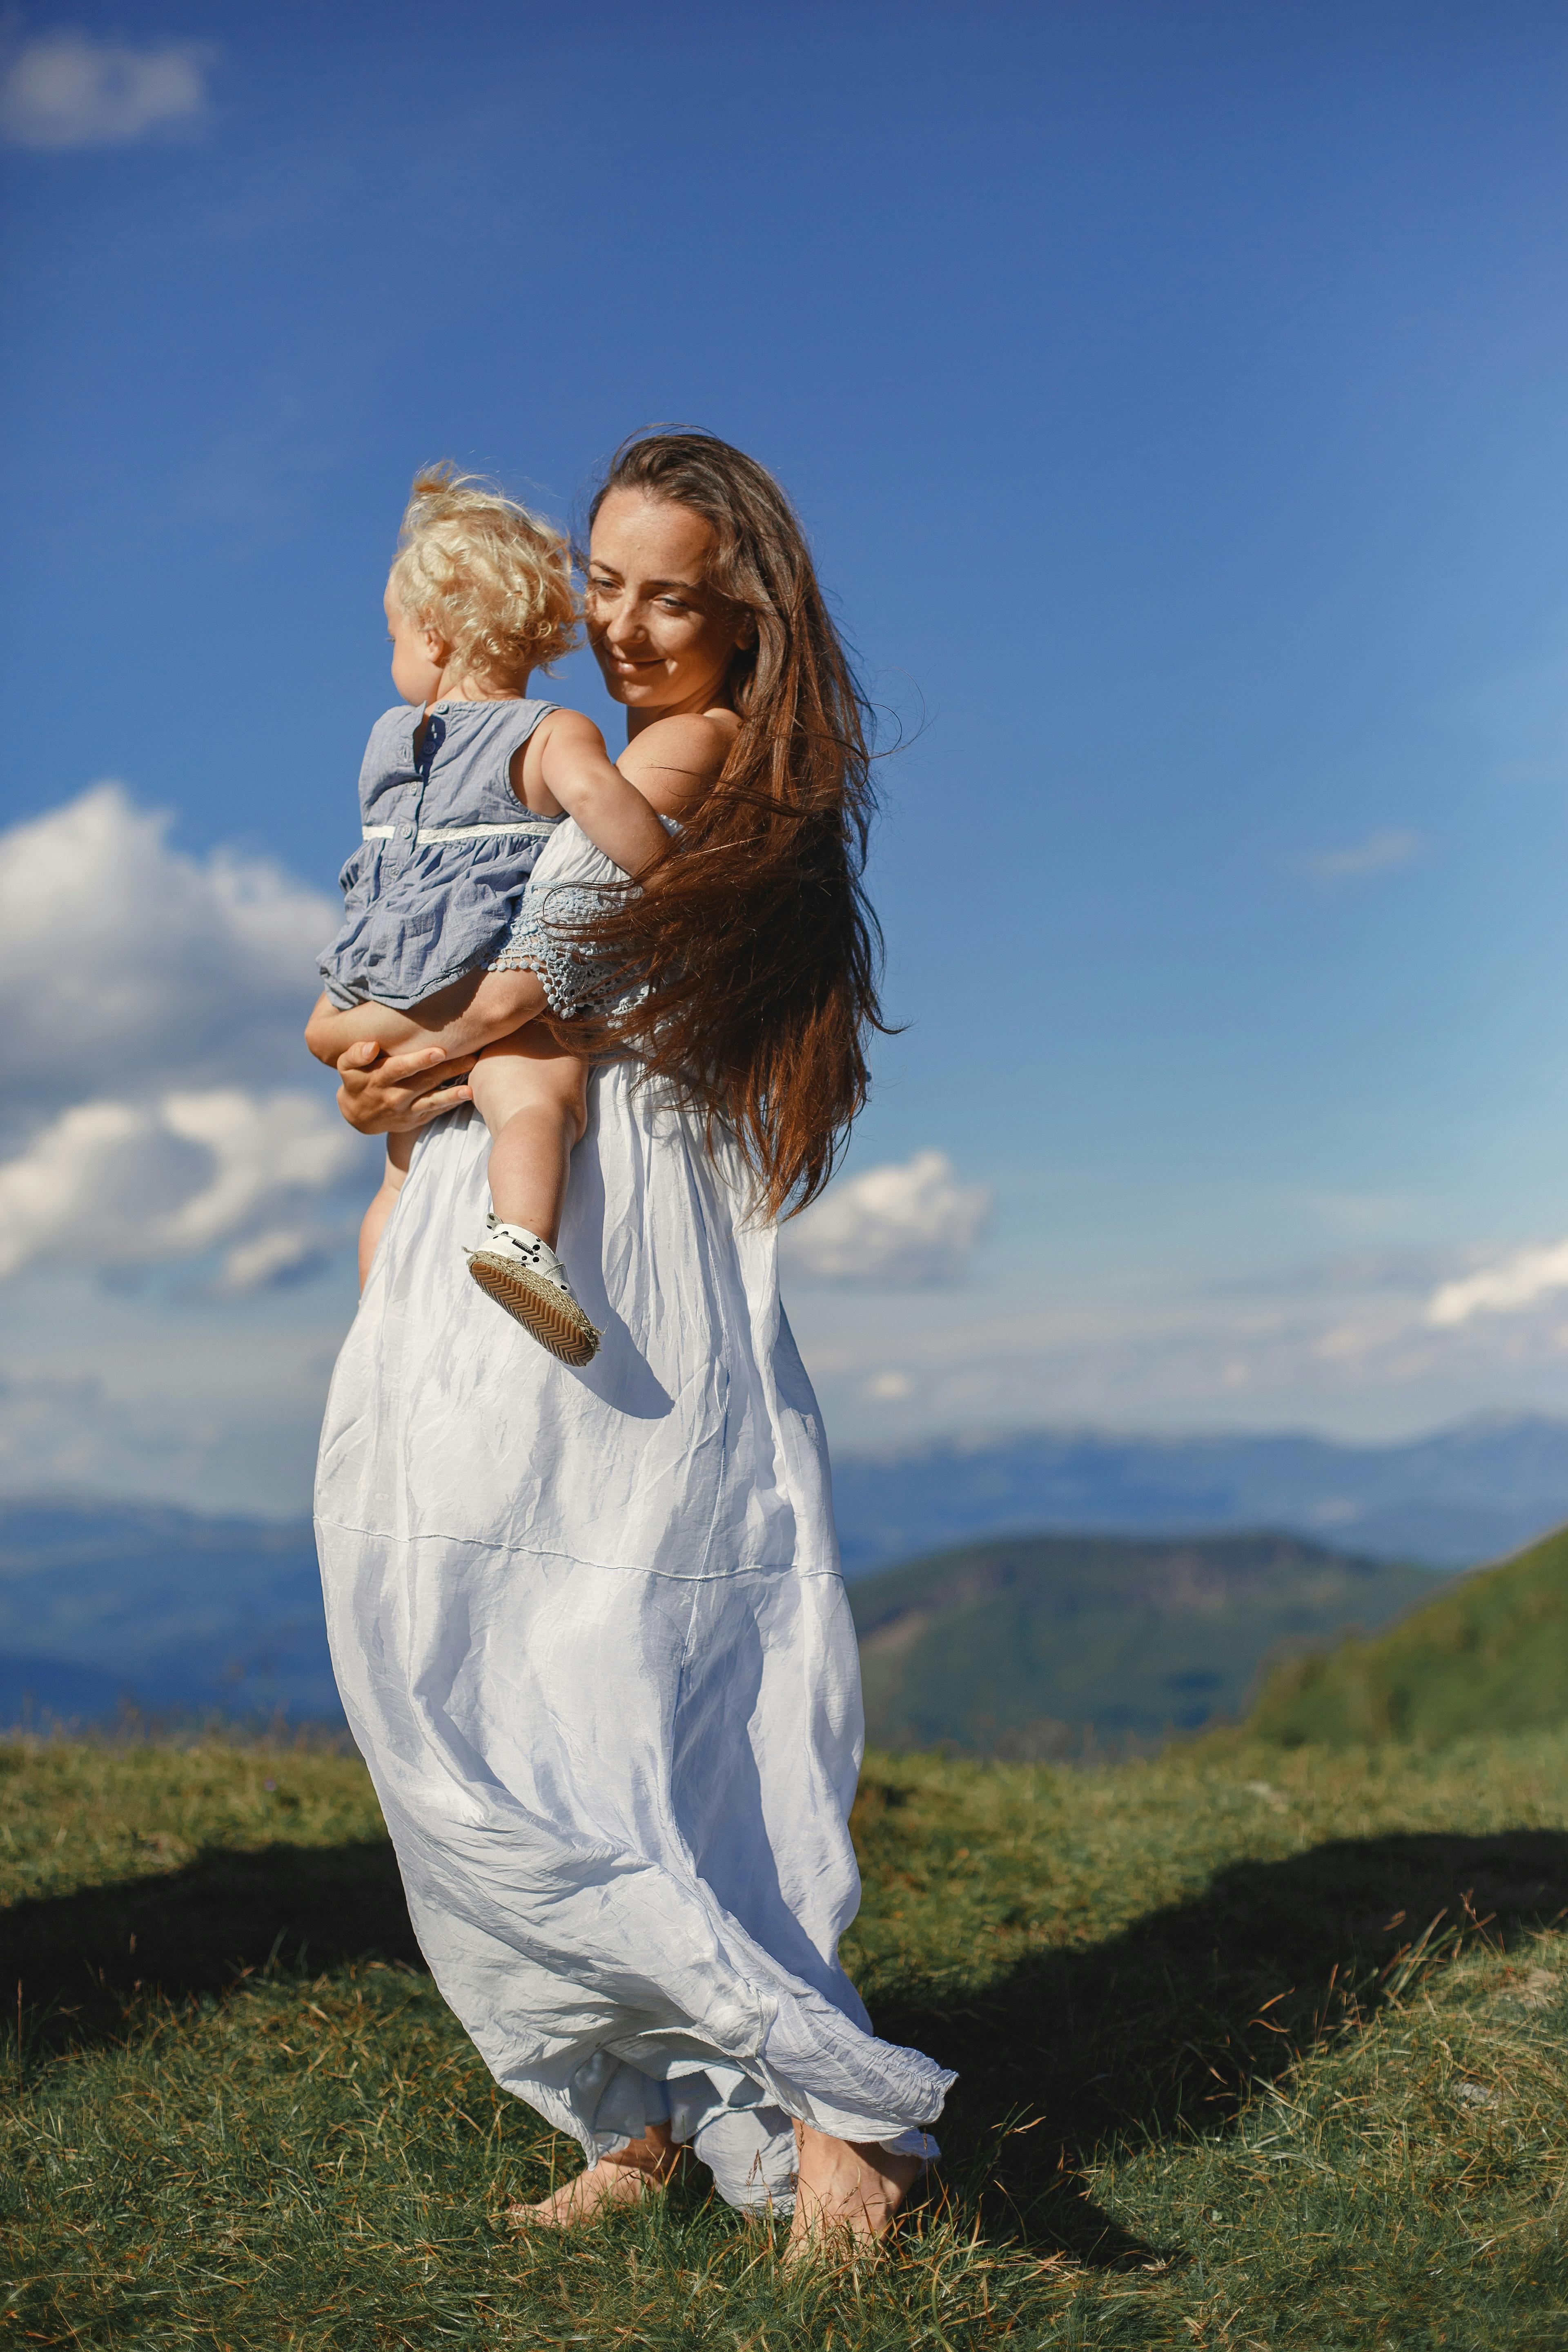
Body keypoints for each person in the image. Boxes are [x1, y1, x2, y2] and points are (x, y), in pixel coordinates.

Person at [315, 432, 953, 2254]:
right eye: (606, 582)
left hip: (618, 1225)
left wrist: (415, 1051)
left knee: (580, 1643)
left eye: (673, 594)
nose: (626, 625)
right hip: (538, 1194)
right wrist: (401, 1063)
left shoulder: (696, 757)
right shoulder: (598, 755)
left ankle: (800, 2104)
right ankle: (637, 2101)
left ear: (745, 608)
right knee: (499, 1629)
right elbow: (473, 974)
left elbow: (551, 975)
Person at [304, 466, 672, 1365]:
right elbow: (599, 803)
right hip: (479, 968)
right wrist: (672, 882)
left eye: (391, 633)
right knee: (536, 1101)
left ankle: (378, 1324)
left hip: (370, 976)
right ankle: (519, 1237)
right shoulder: (549, 730)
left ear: (431, 633)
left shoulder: (390, 740)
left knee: (397, 1171)